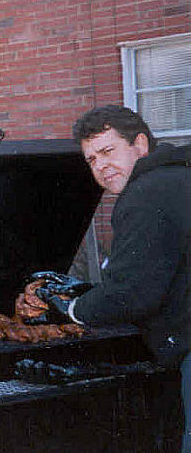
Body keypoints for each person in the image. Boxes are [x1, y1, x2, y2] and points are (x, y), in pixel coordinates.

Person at [30, 105, 191, 450]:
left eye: (107, 151)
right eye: (91, 160)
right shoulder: (179, 178)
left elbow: (132, 295)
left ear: (141, 145)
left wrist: (71, 308)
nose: (100, 165)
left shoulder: (144, 195)